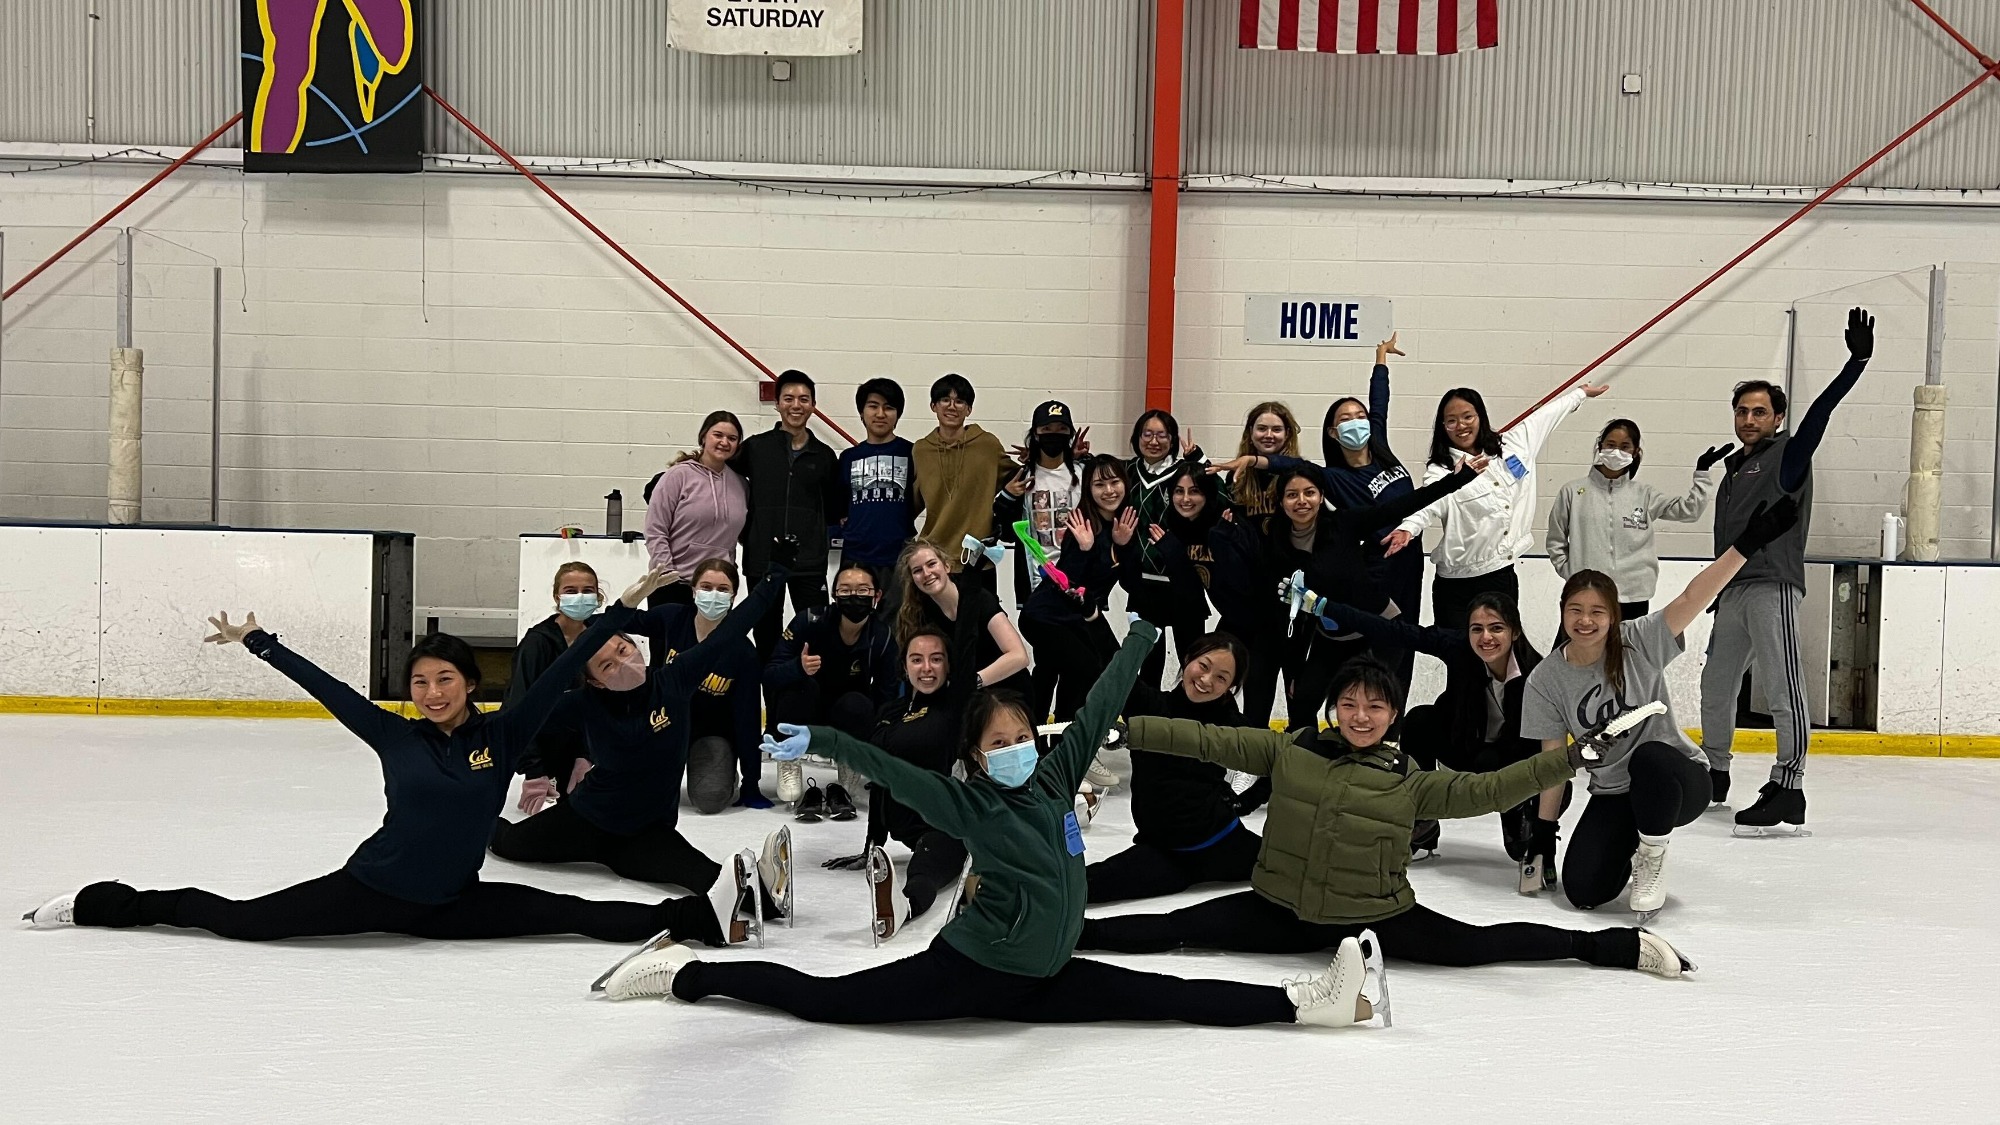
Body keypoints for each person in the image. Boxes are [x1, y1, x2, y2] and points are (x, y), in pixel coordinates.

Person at [597, 621, 1389, 1032]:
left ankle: (1308, 1000)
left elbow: (1101, 705)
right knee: (824, 1000)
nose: (1013, 748)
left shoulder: (1053, 778)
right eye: (997, 742)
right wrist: (828, 739)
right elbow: (898, 772)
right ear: (976, 755)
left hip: (1048, 971)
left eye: (1020, 736)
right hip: (973, 971)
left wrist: (1145, 630)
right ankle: (683, 973)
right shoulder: (970, 803)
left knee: (1170, 994)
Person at [24, 568, 727, 944]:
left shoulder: (504, 735)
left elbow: (568, 662)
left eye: (444, 680)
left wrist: (617, 610)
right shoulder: (395, 735)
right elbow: (331, 689)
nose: (431, 693)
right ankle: (98, 904)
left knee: (575, 913)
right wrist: (260, 642)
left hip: (453, 903)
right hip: (370, 889)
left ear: (469, 684)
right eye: (419, 682)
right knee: (241, 920)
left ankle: (704, 918)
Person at [1074, 655, 1694, 981]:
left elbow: (1491, 788)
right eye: (1349, 704)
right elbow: (1208, 739)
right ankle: (1063, 934)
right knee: (1170, 928)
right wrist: (1132, 729)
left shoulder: (1410, 782)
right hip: (1278, 909)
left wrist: (1570, 758)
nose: (1360, 716)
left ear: (1393, 715)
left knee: (1478, 946)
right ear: (1333, 708)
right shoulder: (1291, 751)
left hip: (1374, 918)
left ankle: (1614, 947)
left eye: (1375, 707)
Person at [1521, 495, 1801, 916]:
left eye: (1597, 611)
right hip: (1615, 793)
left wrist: (1746, 544)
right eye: (1575, 610)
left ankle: (1653, 854)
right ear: (1562, 613)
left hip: (1678, 781)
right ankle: (1632, 844)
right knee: (1583, 892)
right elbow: (1553, 763)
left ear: (1614, 616)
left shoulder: (1639, 640)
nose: (1585, 620)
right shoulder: (1546, 679)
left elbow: (1692, 597)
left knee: (1649, 756)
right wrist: (1545, 829)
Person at [490, 554, 790, 894]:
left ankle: (763, 894)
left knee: (707, 878)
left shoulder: (674, 680)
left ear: (635, 646)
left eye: (622, 650)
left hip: (647, 833)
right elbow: (520, 716)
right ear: (595, 681)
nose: (622, 663)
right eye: (606, 666)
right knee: (507, 843)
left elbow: (734, 628)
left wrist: (775, 574)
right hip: (585, 820)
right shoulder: (582, 703)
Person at [1702, 308, 1873, 834]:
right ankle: (1715, 773)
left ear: (1777, 418)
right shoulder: (1733, 469)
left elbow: (1821, 413)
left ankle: (1789, 785)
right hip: (1731, 592)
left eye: (1760, 412)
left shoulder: (1787, 457)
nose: (1749, 419)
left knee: (1783, 688)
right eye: (1742, 411)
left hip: (1771, 588)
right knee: (1716, 686)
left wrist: (1855, 364)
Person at [1266, 458, 1485, 732]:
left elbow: (1398, 507)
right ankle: (1306, 753)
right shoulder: (1278, 542)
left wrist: (1456, 480)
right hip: (1331, 636)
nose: (1301, 501)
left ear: (1321, 496)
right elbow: (1292, 613)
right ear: (1281, 501)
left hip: (1379, 629)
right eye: (1292, 495)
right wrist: (1295, 667)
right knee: (1302, 699)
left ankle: (1376, 752)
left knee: (1370, 700)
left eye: (1309, 492)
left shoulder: (1343, 523)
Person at [1325, 591, 1546, 863]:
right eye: (1477, 629)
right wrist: (1326, 607)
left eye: (1496, 628)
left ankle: (1517, 809)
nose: (1486, 637)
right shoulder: (1458, 647)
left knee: (1528, 782)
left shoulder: (1537, 674)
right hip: (1465, 746)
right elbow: (1396, 632)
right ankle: (1424, 818)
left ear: (1515, 632)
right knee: (1419, 720)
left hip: (1510, 758)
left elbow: (1543, 744)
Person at [1387, 382, 1608, 629]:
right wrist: (1408, 527)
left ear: (1480, 416)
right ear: (1443, 427)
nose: (1461, 426)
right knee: (1457, 650)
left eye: (1467, 416)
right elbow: (1428, 502)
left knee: (1500, 648)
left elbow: (1547, 415)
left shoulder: (1514, 445)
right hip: (1456, 584)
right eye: (1451, 421)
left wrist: (1580, 393)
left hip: (1500, 574)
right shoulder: (1442, 470)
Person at [1086, 633, 1266, 904]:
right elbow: (1118, 665)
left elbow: (1281, 764)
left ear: (1231, 686)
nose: (1206, 680)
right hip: (1163, 854)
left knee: (1300, 870)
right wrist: (1093, 620)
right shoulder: (1149, 706)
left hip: (1224, 845)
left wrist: (1245, 803)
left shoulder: (1233, 726)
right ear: (1188, 658)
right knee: (1083, 887)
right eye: (1203, 666)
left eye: (1221, 677)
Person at [821, 626, 979, 929]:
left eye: (936, 659)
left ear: (949, 665)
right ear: (905, 667)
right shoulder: (891, 712)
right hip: (910, 831)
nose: (927, 667)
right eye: (917, 659)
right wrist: (872, 846)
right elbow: (881, 780)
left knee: (923, 871)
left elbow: (968, 636)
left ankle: (902, 907)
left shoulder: (956, 708)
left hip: (950, 830)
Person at [1321, 334, 1422, 684]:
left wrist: (1381, 357)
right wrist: (1254, 460)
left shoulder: (1380, 446)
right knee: (1381, 649)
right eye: (1345, 419)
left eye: (1359, 415)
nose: (1356, 421)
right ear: (1333, 432)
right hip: (1381, 567)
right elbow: (1293, 470)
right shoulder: (1334, 478)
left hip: (1412, 560)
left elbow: (1380, 402)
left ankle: (1394, 716)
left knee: (1408, 643)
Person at [1547, 418, 1720, 619]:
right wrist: (1571, 573)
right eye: (1611, 445)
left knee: (1629, 642)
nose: (1616, 452)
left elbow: (1690, 511)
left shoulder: (1644, 495)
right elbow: (1556, 540)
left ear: (1635, 452)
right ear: (1600, 446)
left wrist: (1702, 473)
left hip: (1634, 597)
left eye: (1624, 447)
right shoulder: (1573, 492)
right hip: (1585, 593)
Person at [763, 562, 898, 811]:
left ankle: (850, 762)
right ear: (834, 595)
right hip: (805, 708)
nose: (854, 597)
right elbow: (770, 675)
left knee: (859, 704)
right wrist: (797, 668)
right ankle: (790, 759)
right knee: (798, 688)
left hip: (846, 713)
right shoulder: (808, 621)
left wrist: (875, 749)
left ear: (877, 596)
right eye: (845, 590)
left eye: (863, 590)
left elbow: (886, 696)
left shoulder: (883, 637)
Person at [733, 369, 843, 661]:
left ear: (813, 405)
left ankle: (808, 690)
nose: (796, 405)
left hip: (809, 562)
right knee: (766, 635)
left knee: (816, 636)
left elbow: (835, 508)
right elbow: (719, 473)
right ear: (778, 404)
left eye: (804, 399)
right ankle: (769, 688)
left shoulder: (825, 456)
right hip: (763, 560)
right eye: (789, 398)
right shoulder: (755, 448)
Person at [1017, 454, 1136, 725]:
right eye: (1099, 485)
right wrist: (1085, 549)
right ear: (1088, 490)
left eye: (1114, 482)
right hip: (1044, 616)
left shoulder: (1124, 526)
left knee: (1053, 672)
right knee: (1085, 669)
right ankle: (1043, 738)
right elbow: (1069, 587)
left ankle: (1055, 739)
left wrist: (1123, 546)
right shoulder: (1082, 526)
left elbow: (1129, 583)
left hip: (1074, 619)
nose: (1109, 491)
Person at [1206, 401, 1303, 726]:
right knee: (1251, 682)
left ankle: (1297, 749)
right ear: (1250, 432)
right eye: (1262, 428)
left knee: (1296, 687)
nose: (1269, 434)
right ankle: (1240, 747)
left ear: (1288, 434)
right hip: (1248, 600)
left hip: (1288, 598)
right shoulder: (1236, 478)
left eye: (1277, 429)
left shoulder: (1296, 474)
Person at [654, 557, 772, 812]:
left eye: (722, 589)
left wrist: (751, 781)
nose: (713, 595)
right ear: (693, 590)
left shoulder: (744, 653)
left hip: (711, 734)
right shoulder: (673, 617)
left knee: (710, 799)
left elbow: (747, 718)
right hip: (666, 725)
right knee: (643, 794)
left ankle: (725, 770)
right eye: (706, 587)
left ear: (733, 597)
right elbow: (625, 622)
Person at [508, 561, 604, 815]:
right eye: (571, 591)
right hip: (547, 747)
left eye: (587, 590)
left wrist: (588, 755)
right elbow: (519, 706)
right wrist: (533, 770)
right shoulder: (537, 643)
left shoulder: (600, 637)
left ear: (598, 596)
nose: (580, 597)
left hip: (591, 746)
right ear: (557, 596)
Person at [909, 374, 1016, 593]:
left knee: (981, 616)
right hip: (934, 560)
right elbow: (910, 504)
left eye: (959, 401)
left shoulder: (987, 445)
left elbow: (1022, 476)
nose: (952, 406)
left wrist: (1068, 457)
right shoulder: (920, 450)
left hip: (978, 559)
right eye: (945, 400)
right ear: (933, 406)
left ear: (968, 409)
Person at [892, 540, 1031, 698]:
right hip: (963, 696)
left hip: (1007, 689)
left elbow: (1019, 656)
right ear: (913, 579)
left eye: (931, 564)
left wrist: (971, 683)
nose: (926, 573)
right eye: (917, 570)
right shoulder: (918, 613)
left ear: (947, 566)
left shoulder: (979, 598)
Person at [1124, 410, 1202, 689]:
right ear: (1137, 437)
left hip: (1183, 582)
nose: (1154, 441)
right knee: (1148, 662)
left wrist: (1199, 459)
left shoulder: (1185, 472)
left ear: (1172, 439)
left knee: (1193, 660)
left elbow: (1215, 491)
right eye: (1147, 434)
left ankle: (1194, 714)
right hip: (1143, 585)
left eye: (1162, 435)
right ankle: (1149, 714)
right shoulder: (1127, 472)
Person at [643, 411, 747, 612]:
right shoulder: (678, 475)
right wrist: (667, 573)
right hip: (674, 584)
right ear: (703, 437)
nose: (724, 442)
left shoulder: (741, 484)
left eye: (732, 438)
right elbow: (655, 530)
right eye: (718, 435)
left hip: (716, 590)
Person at [996, 399, 1087, 610]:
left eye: (1061, 429)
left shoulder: (1085, 474)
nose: (1054, 434)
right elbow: (1006, 533)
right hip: (1036, 579)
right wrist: (1008, 497)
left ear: (1070, 434)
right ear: (1036, 434)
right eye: (1047, 429)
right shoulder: (1020, 478)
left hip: (1078, 576)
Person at [836, 378, 918, 577]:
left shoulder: (913, 453)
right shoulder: (848, 457)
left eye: (889, 407)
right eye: (873, 406)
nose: (880, 414)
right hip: (855, 556)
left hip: (900, 557)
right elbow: (840, 506)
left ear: (898, 414)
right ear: (862, 412)